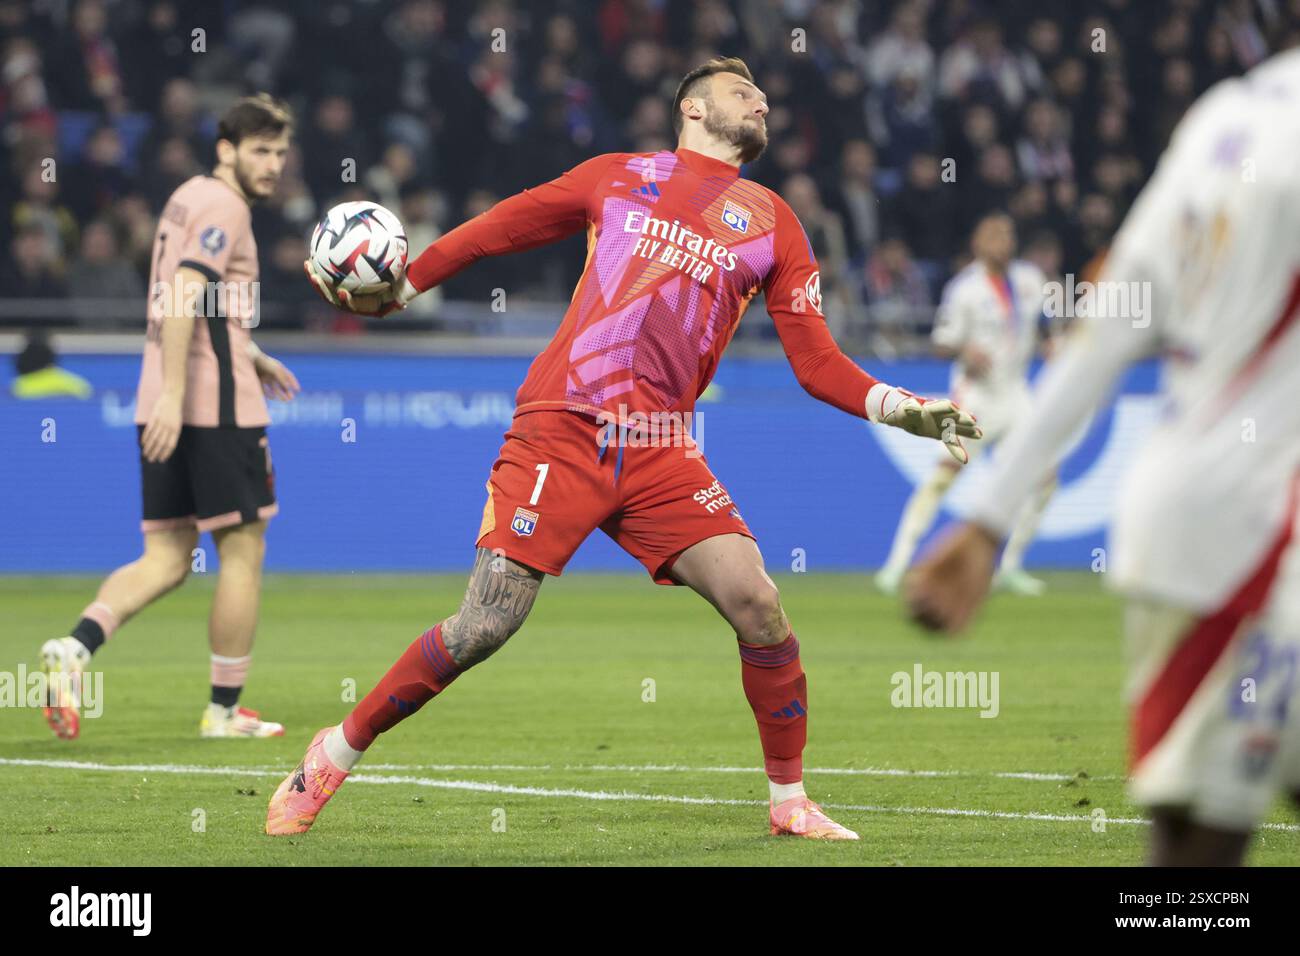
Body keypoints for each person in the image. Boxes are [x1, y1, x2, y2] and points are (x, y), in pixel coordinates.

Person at [278, 57, 978, 841]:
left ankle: (789, 803)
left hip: (657, 446)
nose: (761, 101)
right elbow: (497, 228)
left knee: (760, 606)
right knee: (485, 625)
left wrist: (904, 408)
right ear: (692, 109)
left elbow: (815, 363)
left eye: (763, 94)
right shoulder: (617, 176)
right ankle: (333, 753)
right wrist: (407, 286)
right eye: (741, 91)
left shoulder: (775, 222)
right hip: (564, 423)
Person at [905, 49, 1300, 865]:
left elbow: (1101, 337)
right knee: (1199, 850)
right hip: (1257, 531)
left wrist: (985, 523)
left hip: (1188, 517)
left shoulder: (1218, 119)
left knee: (1192, 838)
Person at [40, 94, 302, 741]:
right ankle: (223, 710)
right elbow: (185, 294)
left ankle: (73, 649)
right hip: (210, 405)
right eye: (260, 151)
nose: (272, 165)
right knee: (243, 550)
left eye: (279, 152)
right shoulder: (226, 206)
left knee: (167, 556)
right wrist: (180, 395)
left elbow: (202, 303)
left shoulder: (186, 196)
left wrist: (251, 354)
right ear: (226, 149)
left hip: (163, 390)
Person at [875, 213, 1054, 596]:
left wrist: (1051, 343)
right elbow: (941, 343)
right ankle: (897, 564)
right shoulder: (964, 289)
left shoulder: (1029, 280)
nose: (1002, 241)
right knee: (942, 477)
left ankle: (1009, 566)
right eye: (993, 234)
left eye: (1007, 234)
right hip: (977, 398)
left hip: (1016, 393)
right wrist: (964, 350)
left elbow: (1043, 325)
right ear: (977, 243)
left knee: (1043, 477)